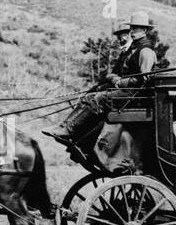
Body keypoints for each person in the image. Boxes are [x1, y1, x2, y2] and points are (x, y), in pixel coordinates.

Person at [45, 11, 163, 146]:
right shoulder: (133, 49)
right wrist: (116, 79)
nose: (132, 31)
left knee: (99, 98)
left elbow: (144, 80)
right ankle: (67, 129)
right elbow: (120, 72)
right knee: (91, 96)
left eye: (136, 28)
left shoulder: (145, 51)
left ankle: (70, 130)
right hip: (127, 90)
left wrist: (120, 82)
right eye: (132, 28)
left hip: (133, 94)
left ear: (145, 30)